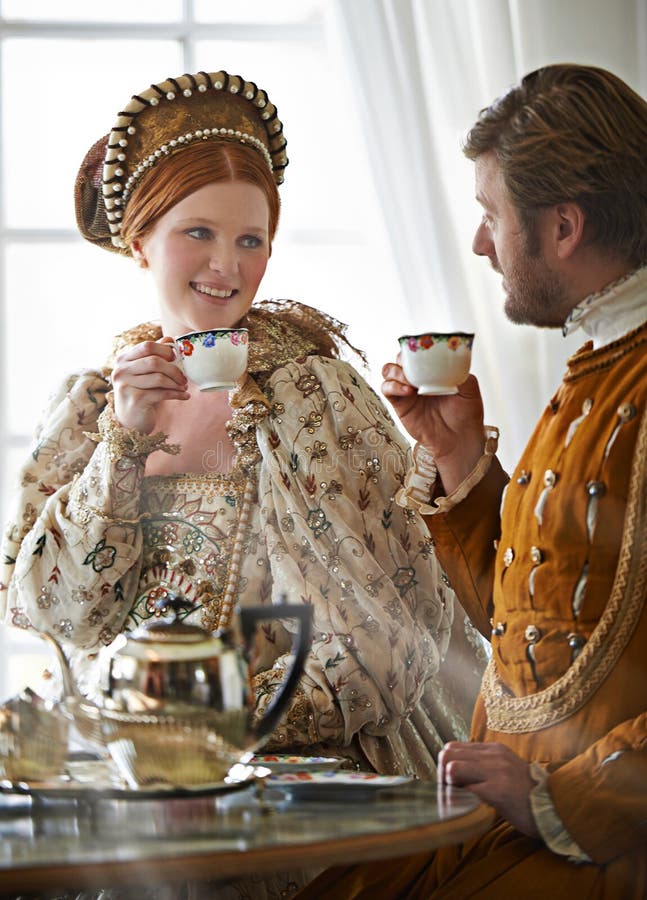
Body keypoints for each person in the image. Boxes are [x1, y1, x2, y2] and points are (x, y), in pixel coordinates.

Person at [0, 68, 485, 898]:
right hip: (145, 785)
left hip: (312, 782)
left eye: (251, 240)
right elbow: (55, 611)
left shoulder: (315, 395)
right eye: (199, 233)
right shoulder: (88, 411)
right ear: (139, 240)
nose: (228, 266)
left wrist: (218, 735)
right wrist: (121, 447)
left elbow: (389, 631)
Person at [294, 62, 647, 899]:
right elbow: (535, 625)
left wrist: (561, 799)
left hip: (601, 846)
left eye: (490, 215)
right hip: (505, 816)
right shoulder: (597, 367)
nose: (481, 243)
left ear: (562, 227)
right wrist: (457, 459)